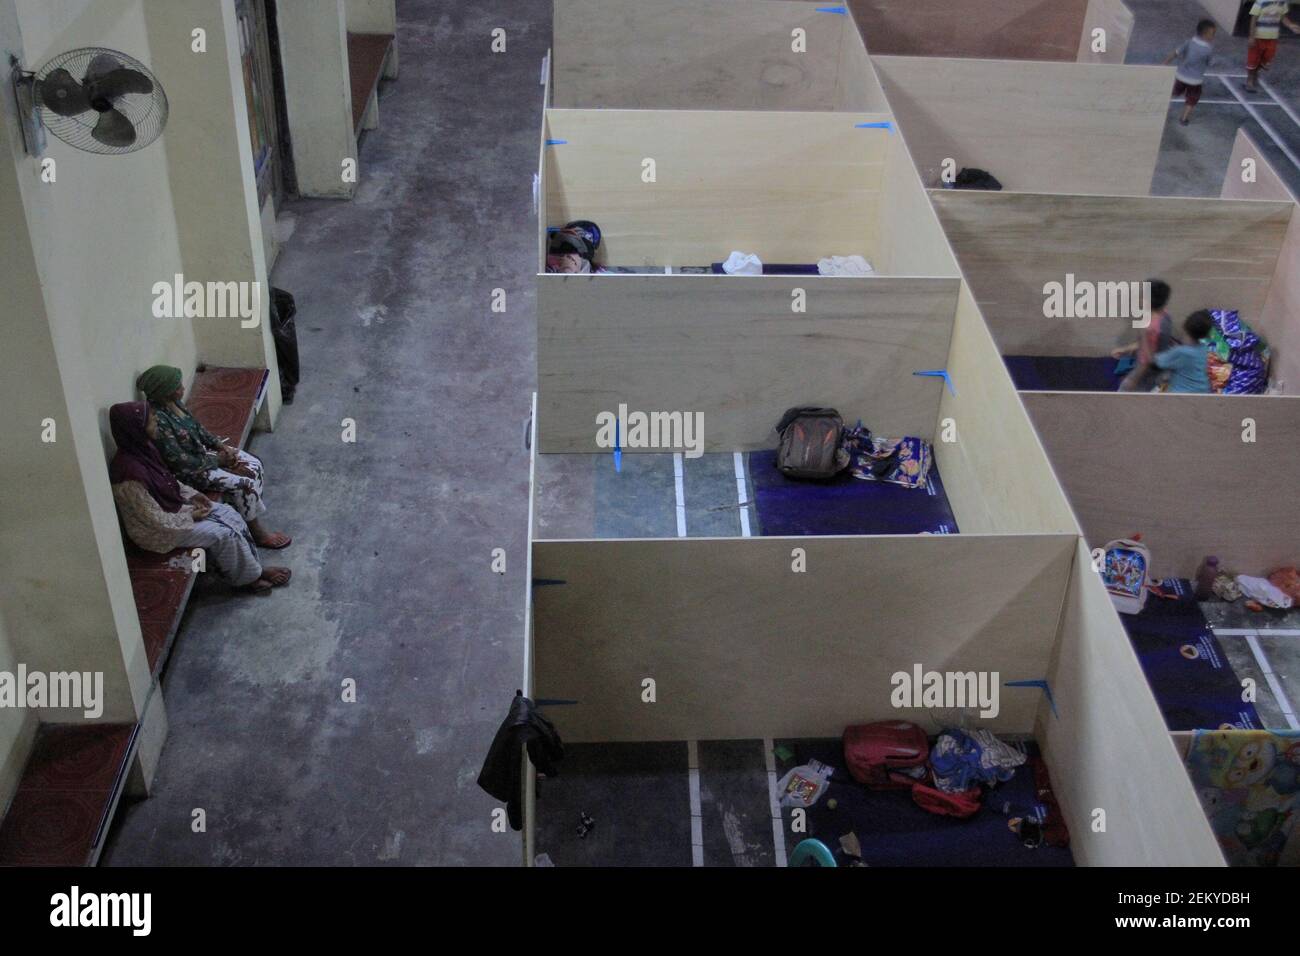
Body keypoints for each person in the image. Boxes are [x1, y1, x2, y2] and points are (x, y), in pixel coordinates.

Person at [108, 402, 291, 592]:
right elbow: (153, 519)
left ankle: (254, 570)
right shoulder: (129, 476)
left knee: (230, 514)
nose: (156, 422)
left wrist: (194, 495)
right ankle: (248, 579)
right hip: (157, 531)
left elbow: (169, 481)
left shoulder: (145, 451)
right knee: (223, 534)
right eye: (150, 421)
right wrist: (190, 516)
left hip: (173, 509)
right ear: (136, 429)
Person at [135, 365, 290, 549]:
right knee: (245, 485)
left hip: (202, 455)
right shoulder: (159, 422)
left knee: (254, 464)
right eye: (177, 387)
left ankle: (247, 514)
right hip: (190, 472)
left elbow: (198, 428)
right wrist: (219, 461)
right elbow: (182, 463)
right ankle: (257, 532)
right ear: (164, 392)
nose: (182, 388)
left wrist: (221, 446)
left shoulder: (174, 404)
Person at [1111, 279, 1175, 392]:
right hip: (1164, 372)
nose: (1139, 299)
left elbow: (1146, 362)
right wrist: (1126, 349)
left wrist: (1130, 382)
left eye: (1142, 296)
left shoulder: (1148, 327)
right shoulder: (1165, 315)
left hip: (1150, 379)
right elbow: (1153, 343)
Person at [1163, 19, 1216, 125]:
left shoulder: (1189, 42)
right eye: (1212, 34)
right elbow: (1211, 63)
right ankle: (1184, 119)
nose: (1213, 36)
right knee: (1191, 100)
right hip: (1195, 81)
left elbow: (1175, 53)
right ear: (1205, 34)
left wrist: (1165, 63)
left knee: (1171, 93)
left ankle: (1162, 109)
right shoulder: (1208, 49)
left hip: (1180, 76)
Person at [1153, 310, 1215, 394]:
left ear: (1185, 327)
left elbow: (1156, 362)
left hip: (1181, 396)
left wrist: (1144, 344)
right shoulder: (1203, 349)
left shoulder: (1180, 352)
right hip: (1203, 393)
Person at [1246, 1, 1300, 93]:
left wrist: (1290, 25)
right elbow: (1253, 19)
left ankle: (1256, 72)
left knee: (1267, 57)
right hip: (1259, 36)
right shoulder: (1261, 2)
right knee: (1253, 58)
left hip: (1272, 37)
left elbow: (1282, 17)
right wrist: (1252, 36)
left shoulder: (1282, 3)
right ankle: (1250, 79)